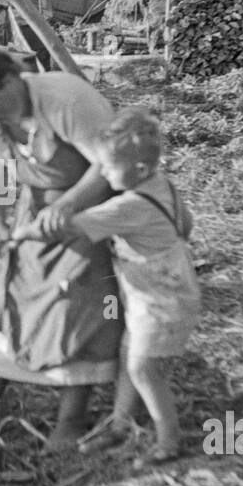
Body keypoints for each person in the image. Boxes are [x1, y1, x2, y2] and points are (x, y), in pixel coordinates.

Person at [0, 47, 123, 473]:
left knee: (80, 309)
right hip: (34, 210)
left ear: (9, 83)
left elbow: (112, 164)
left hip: (88, 208)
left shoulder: (68, 99)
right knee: (5, 305)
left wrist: (70, 205)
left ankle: (70, 422)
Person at [60, 108, 200, 462]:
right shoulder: (162, 184)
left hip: (162, 302)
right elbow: (186, 223)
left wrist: (39, 223)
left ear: (137, 170)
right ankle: (121, 423)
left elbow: (73, 227)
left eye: (108, 168)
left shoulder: (130, 205)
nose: (102, 175)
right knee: (129, 354)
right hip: (162, 292)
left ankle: (168, 440)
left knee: (142, 367)